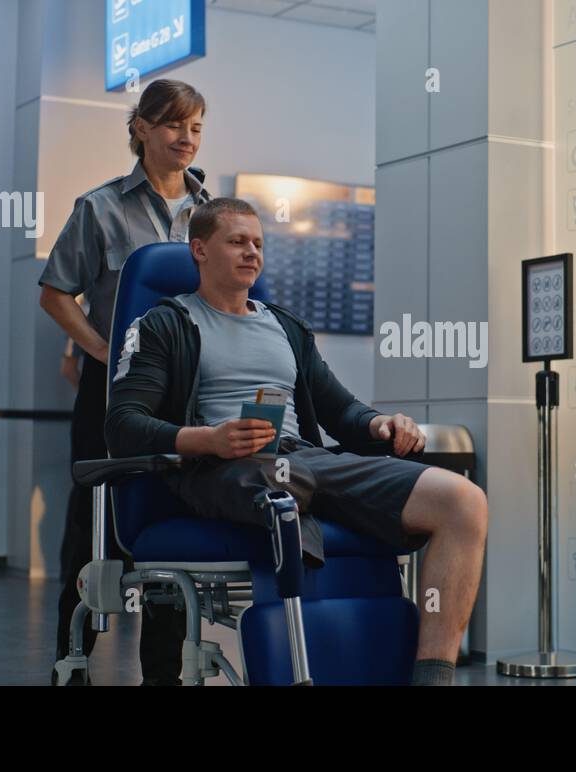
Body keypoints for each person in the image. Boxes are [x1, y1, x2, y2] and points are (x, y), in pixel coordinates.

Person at [105, 198, 488, 686]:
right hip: (223, 468)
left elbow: (340, 411)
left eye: (259, 243)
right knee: (279, 493)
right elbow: (123, 425)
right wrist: (210, 439)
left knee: (463, 502)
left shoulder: (285, 327)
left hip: (301, 463)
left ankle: (433, 677)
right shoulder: (164, 325)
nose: (252, 253)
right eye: (237, 241)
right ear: (199, 250)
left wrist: (379, 426)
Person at [38, 79, 211, 685]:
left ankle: (162, 675)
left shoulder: (209, 215)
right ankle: (72, 663)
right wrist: (105, 353)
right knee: (90, 532)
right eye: (172, 126)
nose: (185, 138)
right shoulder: (99, 207)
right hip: (111, 395)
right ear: (140, 128)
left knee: (166, 538)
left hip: (187, 401)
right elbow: (56, 293)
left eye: (195, 127)